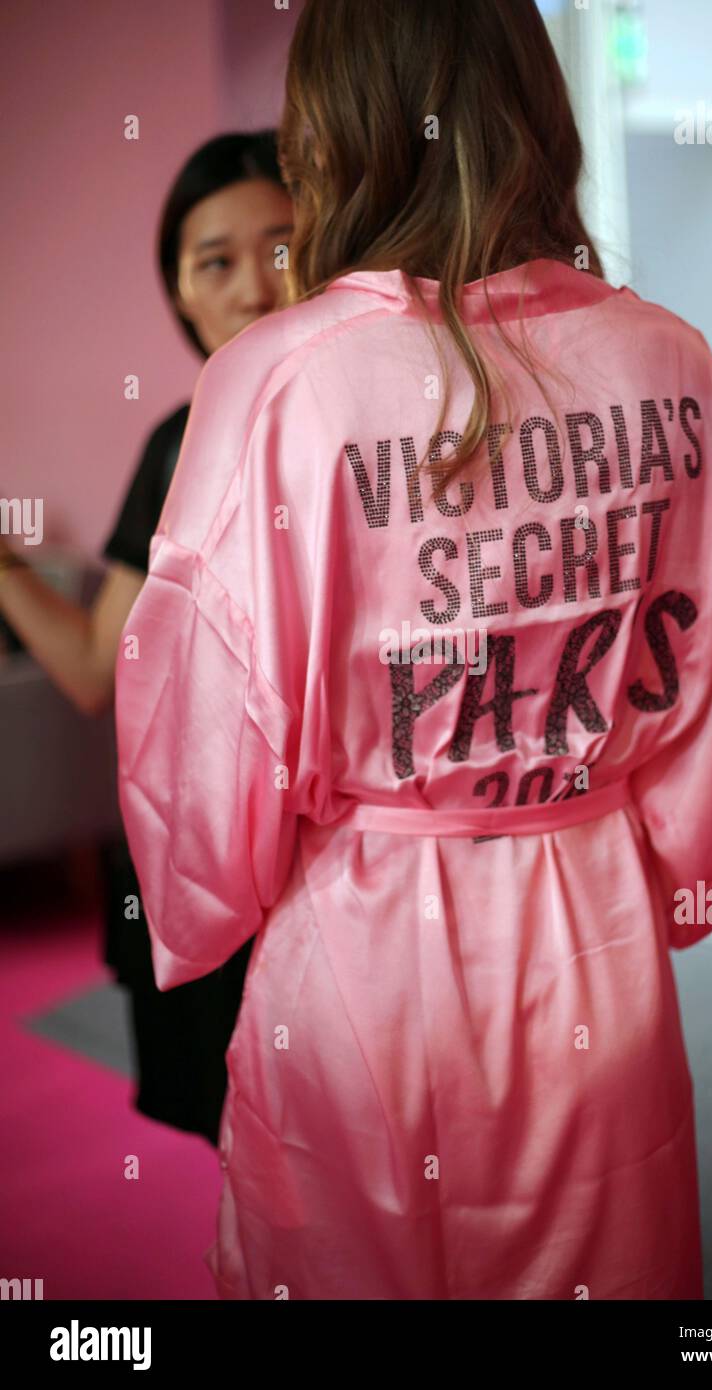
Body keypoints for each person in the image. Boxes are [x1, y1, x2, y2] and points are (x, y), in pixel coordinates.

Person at [114, 0, 712, 1299]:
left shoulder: (276, 382)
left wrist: (219, 891)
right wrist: (632, 858)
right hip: (593, 955)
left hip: (361, 976)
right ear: (531, 103)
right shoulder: (669, 363)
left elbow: (205, 768)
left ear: (332, 126)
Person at [0, 131, 294, 1146]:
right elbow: (92, 670)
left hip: (331, 885)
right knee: (241, 1164)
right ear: (180, 292)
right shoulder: (172, 441)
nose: (254, 286)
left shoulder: (367, 428)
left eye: (284, 245)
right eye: (215, 260)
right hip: (185, 865)